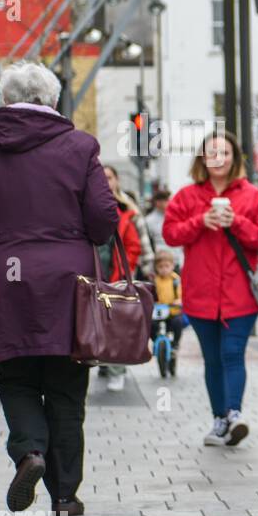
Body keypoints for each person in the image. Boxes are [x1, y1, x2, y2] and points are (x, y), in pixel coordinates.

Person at [0, 61, 119, 515]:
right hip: (66, 282)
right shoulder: (80, 146)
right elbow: (103, 220)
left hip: (4, 276)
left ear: (6, 101)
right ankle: (66, 495)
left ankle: (30, 451)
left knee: (16, 378)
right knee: (68, 386)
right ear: (53, 101)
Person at [163, 130, 258, 447]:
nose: (218, 158)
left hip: (241, 293)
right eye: (212, 152)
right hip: (200, 294)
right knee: (212, 359)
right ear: (202, 158)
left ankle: (234, 414)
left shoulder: (252, 195)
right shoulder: (186, 196)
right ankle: (220, 418)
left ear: (234, 158)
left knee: (232, 353)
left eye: (224, 152)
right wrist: (202, 221)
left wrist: (235, 221)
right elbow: (171, 234)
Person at [100, 165, 145, 392]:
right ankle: (102, 362)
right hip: (92, 275)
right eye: (101, 177)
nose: (105, 181)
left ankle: (116, 369)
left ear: (117, 181)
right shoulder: (85, 205)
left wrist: (130, 269)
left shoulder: (127, 210)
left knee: (116, 324)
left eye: (109, 177)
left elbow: (138, 245)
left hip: (117, 275)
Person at [152, 249, 184, 375]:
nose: (164, 269)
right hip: (159, 312)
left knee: (177, 322)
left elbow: (181, 295)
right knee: (151, 325)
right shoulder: (155, 281)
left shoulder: (176, 280)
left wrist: (179, 300)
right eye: (160, 267)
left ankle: (175, 344)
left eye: (167, 266)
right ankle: (155, 341)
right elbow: (151, 294)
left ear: (172, 266)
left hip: (172, 311)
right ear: (156, 268)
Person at [144, 186, 184, 270]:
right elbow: (147, 243)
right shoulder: (149, 220)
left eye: (167, 199)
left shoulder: (178, 216)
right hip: (160, 263)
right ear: (156, 202)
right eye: (162, 200)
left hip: (177, 261)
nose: (166, 202)